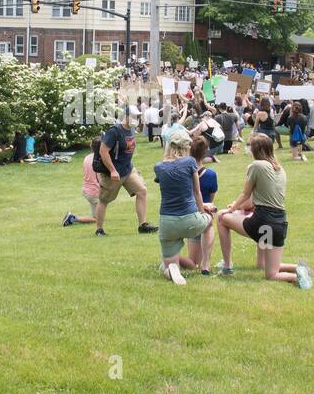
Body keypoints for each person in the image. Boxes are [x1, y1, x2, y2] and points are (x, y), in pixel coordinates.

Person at [214, 133, 312, 287]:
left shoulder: (256, 166)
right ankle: (298, 268)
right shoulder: (279, 168)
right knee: (264, 267)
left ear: (256, 150)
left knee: (220, 217)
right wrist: (239, 207)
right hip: (279, 223)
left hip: (263, 222)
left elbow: (246, 195)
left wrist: (232, 208)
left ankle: (227, 265)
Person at [152, 129, 214, 285]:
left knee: (168, 266)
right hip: (190, 219)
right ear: (187, 146)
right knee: (210, 221)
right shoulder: (190, 162)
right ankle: (206, 264)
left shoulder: (158, 167)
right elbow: (197, 192)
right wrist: (202, 211)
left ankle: (171, 269)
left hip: (167, 223)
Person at [96, 108, 156, 237]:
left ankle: (142, 225)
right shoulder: (114, 131)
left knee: (142, 191)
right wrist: (112, 170)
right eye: (134, 116)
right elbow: (103, 151)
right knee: (104, 200)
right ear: (126, 116)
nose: (137, 119)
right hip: (113, 173)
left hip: (128, 170)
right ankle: (99, 230)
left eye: (138, 116)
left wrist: (133, 168)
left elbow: (126, 151)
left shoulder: (130, 129)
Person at [188, 137, 218, 275]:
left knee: (192, 263)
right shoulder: (211, 175)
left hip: (188, 215)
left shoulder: (184, 173)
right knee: (209, 222)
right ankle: (206, 262)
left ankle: (169, 261)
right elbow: (211, 198)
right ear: (205, 152)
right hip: (203, 216)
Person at [63, 136, 101, 227]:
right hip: (94, 192)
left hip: (86, 189)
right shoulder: (99, 160)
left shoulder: (87, 157)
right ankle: (73, 218)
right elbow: (100, 179)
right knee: (96, 219)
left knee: (97, 211)